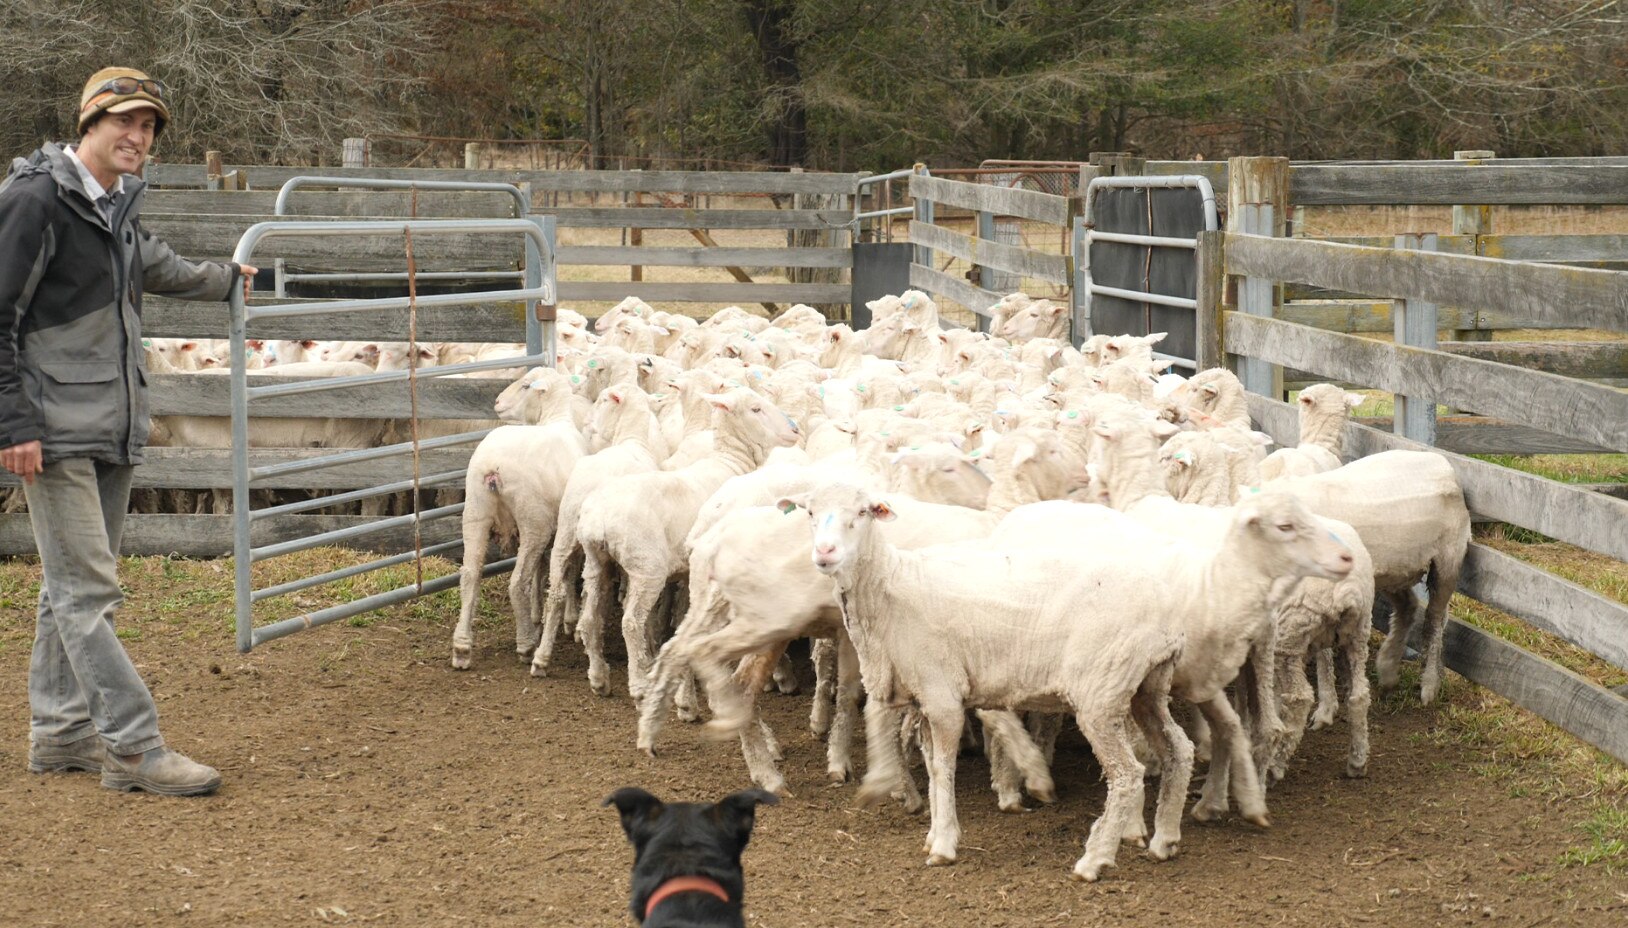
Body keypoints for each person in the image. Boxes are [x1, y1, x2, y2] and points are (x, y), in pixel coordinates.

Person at [0, 67, 258, 796]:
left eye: (147, 127)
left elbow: (153, 264)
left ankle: (60, 733)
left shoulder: (113, 203)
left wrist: (227, 277)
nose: (136, 137)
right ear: (89, 123)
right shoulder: (35, 200)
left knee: (68, 588)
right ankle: (134, 746)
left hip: (111, 420)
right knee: (87, 593)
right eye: (124, 122)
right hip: (51, 428)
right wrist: (12, 423)